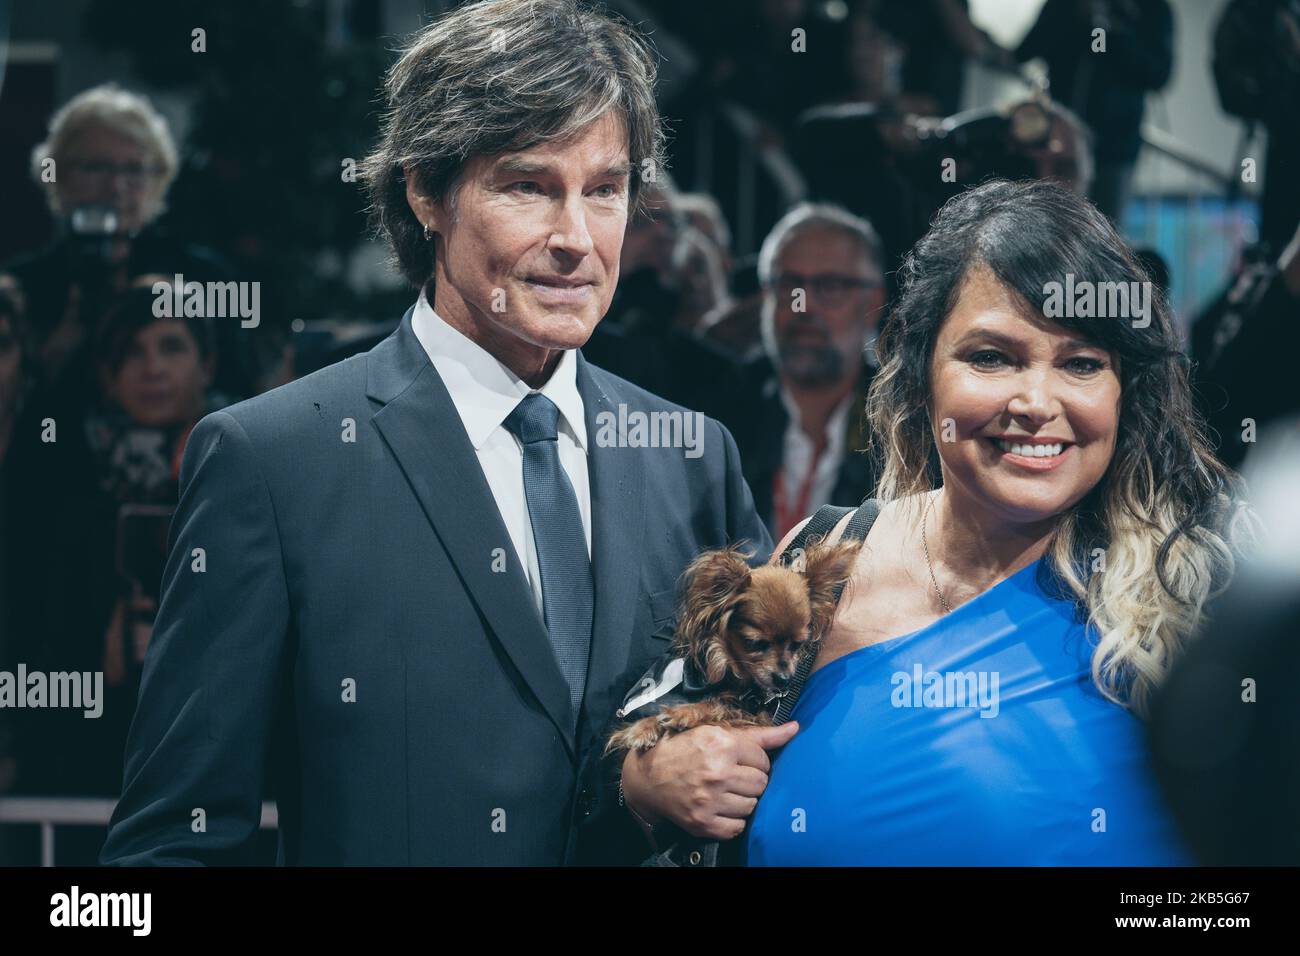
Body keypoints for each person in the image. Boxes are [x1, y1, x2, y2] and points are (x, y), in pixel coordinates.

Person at [100, 0, 772, 867]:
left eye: (604, 191)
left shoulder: (692, 455)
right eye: (528, 185)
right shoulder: (272, 463)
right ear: (426, 191)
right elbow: (171, 843)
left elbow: (759, 744)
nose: (575, 239)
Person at [737, 179, 1254, 864]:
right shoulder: (822, 555)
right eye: (991, 357)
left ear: (1125, 392)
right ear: (920, 374)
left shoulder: (1201, 593)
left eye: (1081, 363)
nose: (1036, 402)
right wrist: (644, 783)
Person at [721, 203, 887, 540]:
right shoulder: (719, 415)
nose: (805, 306)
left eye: (831, 286)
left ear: (873, 304)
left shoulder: (908, 431)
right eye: (789, 284)